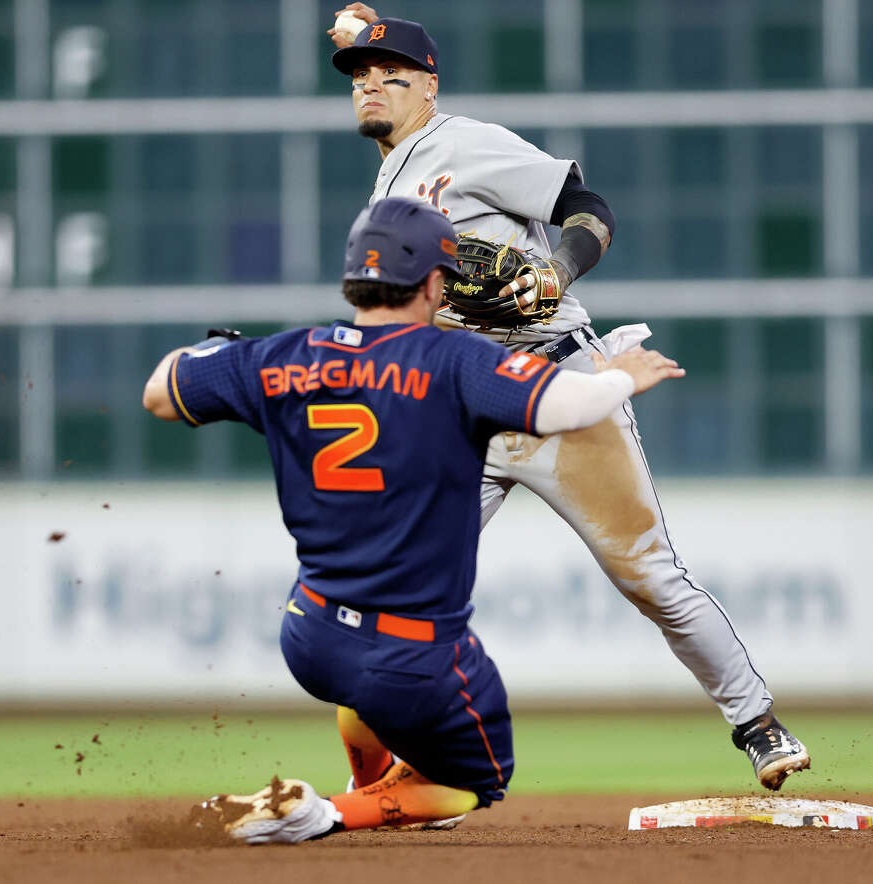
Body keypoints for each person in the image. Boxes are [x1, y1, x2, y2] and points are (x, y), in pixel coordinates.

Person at [328, 4, 811, 792]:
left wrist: (557, 269)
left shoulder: (465, 143)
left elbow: (590, 209)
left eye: (393, 75)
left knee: (649, 577)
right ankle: (400, 766)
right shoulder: (385, 193)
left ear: (430, 87)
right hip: (468, 406)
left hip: (557, 383)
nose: (372, 86)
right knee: (394, 583)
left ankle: (756, 723)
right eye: (361, 77)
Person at [142, 196, 684, 844]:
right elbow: (571, 404)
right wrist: (620, 375)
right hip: (415, 653)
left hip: (309, 636)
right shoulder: (453, 361)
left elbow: (161, 390)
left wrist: (229, 360)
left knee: (363, 684)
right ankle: (325, 813)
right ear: (433, 285)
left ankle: (361, 782)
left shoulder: (283, 357)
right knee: (475, 783)